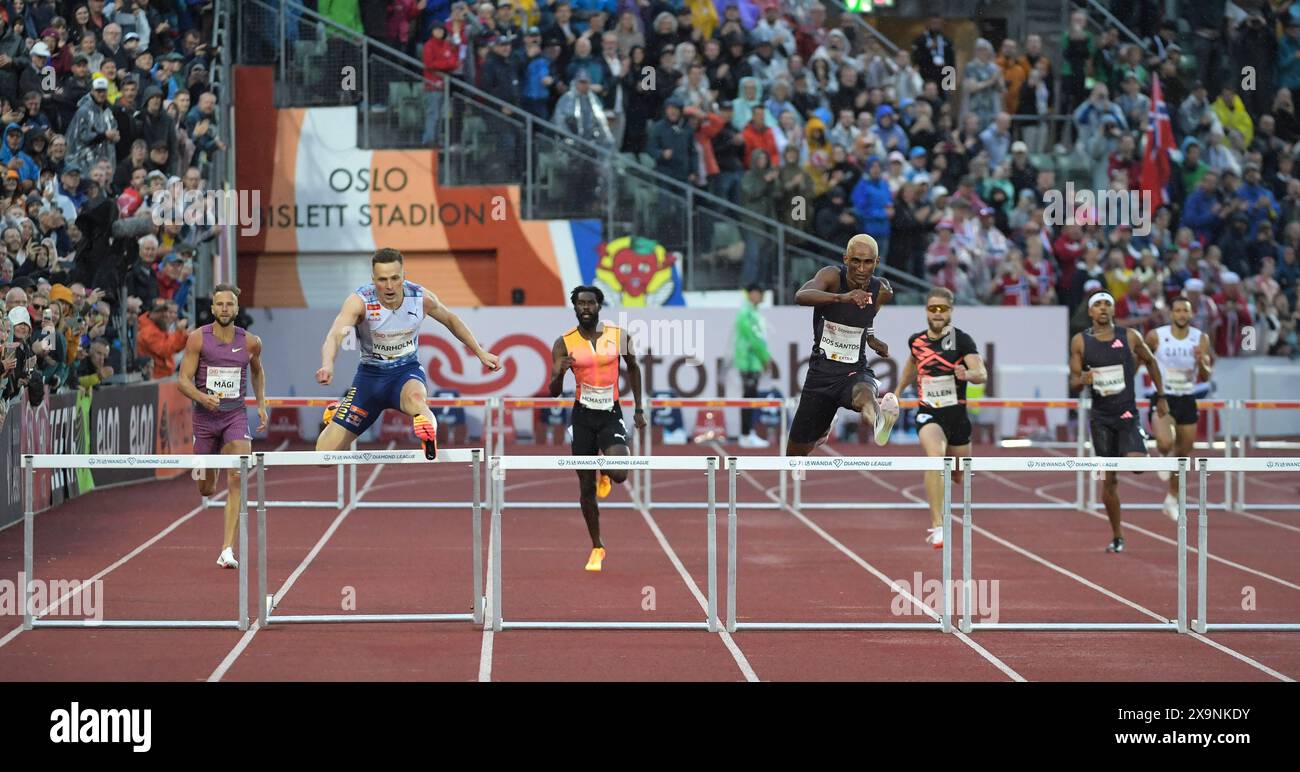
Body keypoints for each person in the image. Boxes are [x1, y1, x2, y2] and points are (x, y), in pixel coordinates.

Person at [317, 248, 500, 459]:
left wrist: (480, 352)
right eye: (382, 279)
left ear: (404, 276)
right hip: (369, 379)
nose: (389, 286)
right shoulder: (360, 301)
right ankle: (339, 412)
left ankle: (428, 435)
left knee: (416, 399)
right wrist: (327, 364)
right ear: (373, 279)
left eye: (395, 278)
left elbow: (451, 320)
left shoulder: (421, 298)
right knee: (324, 457)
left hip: (405, 372)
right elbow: (335, 335)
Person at [549, 285, 646, 572]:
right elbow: (554, 391)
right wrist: (559, 372)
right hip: (582, 417)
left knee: (619, 473)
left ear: (599, 307)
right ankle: (597, 546)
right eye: (581, 304)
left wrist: (638, 409)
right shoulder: (563, 343)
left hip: (610, 412)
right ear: (575, 308)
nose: (586, 308)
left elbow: (634, 367)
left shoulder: (619, 336)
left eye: (591, 303)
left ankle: (606, 470)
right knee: (585, 488)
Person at [176, 285, 267, 569]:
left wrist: (261, 405)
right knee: (205, 488)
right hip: (204, 419)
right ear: (213, 309)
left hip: (234, 417)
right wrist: (203, 398)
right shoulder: (197, 339)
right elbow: (183, 380)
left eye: (230, 304)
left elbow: (257, 371)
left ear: (237, 309)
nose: (225, 308)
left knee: (238, 475)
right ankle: (208, 475)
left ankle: (227, 549)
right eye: (220, 304)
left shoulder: (251, 342)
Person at [1069, 291, 1168, 553]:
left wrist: (1160, 396)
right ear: (1090, 312)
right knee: (1108, 481)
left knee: (1136, 465)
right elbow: (1073, 382)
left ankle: (1141, 444)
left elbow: (1152, 361)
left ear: (1113, 311)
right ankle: (1117, 535)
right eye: (1097, 305)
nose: (1103, 308)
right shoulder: (1080, 342)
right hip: (1100, 419)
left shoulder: (1130, 336)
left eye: (1107, 305)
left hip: (1126, 413)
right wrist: (1083, 381)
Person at [787, 234, 899, 455]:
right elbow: (800, 296)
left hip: (854, 369)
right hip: (821, 373)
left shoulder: (882, 291)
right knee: (794, 455)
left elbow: (867, 318)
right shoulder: (832, 277)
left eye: (868, 262)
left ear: (876, 263)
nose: (861, 268)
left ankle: (880, 420)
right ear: (846, 259)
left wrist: (871, 338)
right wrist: (842, 297)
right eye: (856, 261)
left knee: (865, 394)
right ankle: (824, 425)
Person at [895, 287, 986, 548]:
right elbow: (911, 369)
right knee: (936, 459)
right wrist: (898, 394)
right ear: (926, 310)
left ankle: (945, 508)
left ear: (950, 311)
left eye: (942, 309)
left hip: (957, 416)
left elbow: (981, 373)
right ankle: (938, 525)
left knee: (958, 475)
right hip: (928, 412)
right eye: (933, 308)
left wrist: (967, 374)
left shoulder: (962, 341)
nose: (937, 313)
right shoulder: (916, 341)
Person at [1145, 296, 1213, 520]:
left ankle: (1172, 498)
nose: (1182, 314)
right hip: (1164, 397)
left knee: (1183, 454)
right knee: (1165, 442)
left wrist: (1201, 360)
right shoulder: (1157, 336)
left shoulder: (1199, 338)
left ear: (1190, 314)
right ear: (1171, 314)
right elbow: (1143, 359)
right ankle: (1163, 456)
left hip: (1187, 398)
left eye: (1185, 310)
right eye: (1177, 310)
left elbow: (1206, 374)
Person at [733, 283, 774, 449]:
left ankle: (747, 433)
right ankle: (745, 434)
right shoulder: (748, 313)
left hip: (752, 360)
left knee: (749, 397)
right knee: (749, 397)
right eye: (759, 292)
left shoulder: (752, 312)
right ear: (750, 294)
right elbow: (754, 339)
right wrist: (765, 358)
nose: (762, 295)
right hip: (749, 361)